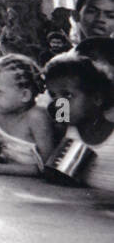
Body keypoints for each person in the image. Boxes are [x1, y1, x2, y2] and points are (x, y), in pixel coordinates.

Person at [42, 53, 114, 190]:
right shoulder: (67, 132)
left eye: (67, 95)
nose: (59, 104)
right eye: (53, 95)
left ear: (97, 98)